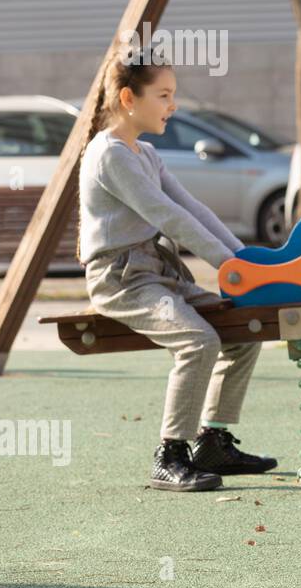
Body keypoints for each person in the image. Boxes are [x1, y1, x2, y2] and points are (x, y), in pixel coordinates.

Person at [79, 60, 275, 492]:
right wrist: (227, 265)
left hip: (159, 272)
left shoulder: (144, 153)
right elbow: (165, 216)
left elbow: (193, 209)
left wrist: (244, 261)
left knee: (245, 328)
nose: (173, 103)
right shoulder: (109, 153)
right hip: (122, 279)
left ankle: (213, 442)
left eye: (173, 93)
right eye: (163, 95)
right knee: (198, 342)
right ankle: (169, 454)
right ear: (129, 99)